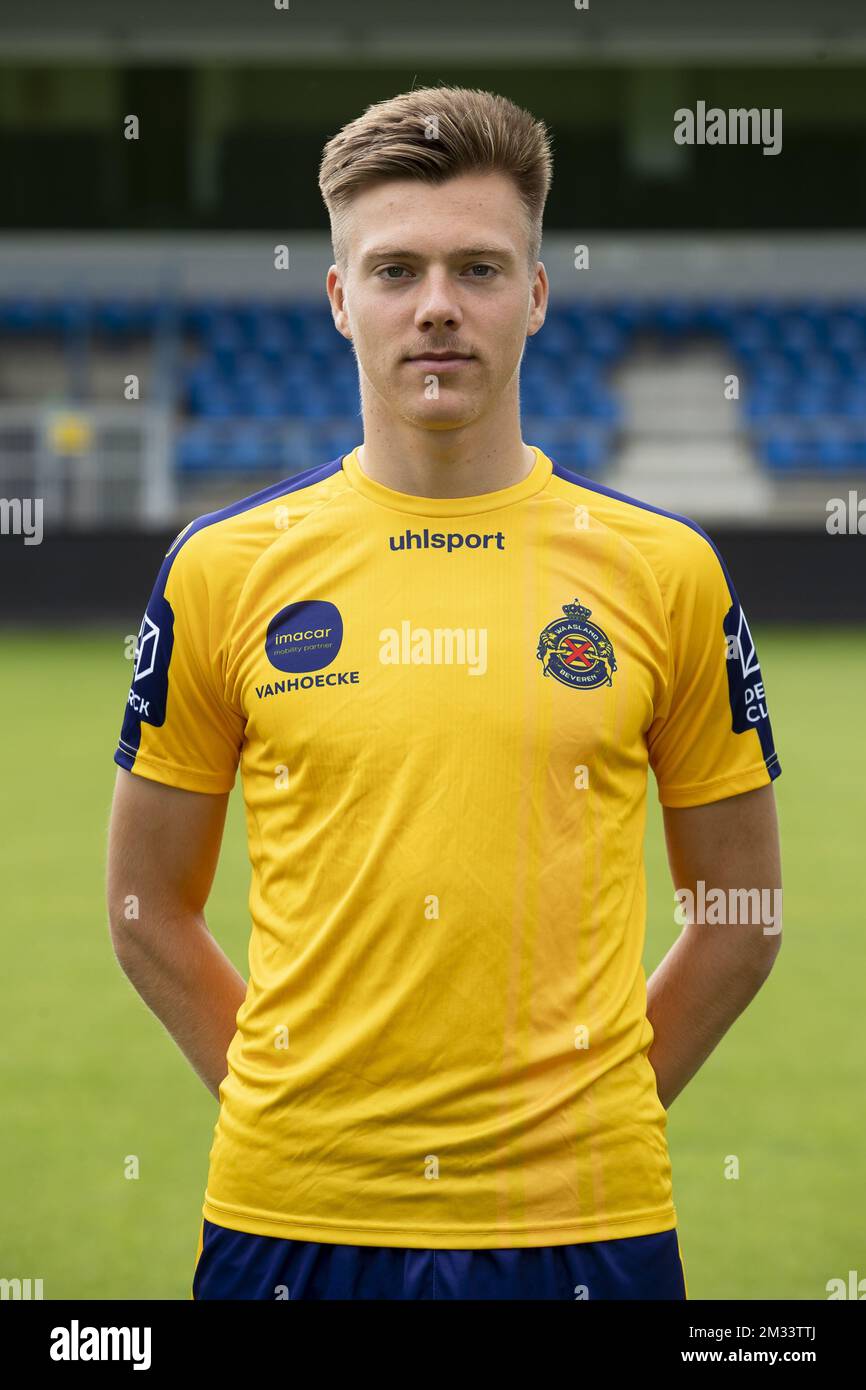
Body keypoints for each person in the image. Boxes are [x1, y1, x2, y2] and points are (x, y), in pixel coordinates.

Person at [106, 85, 782, 1301]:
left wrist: (588, 1114)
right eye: (394, 269)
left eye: (477, 268)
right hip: (288, 1222)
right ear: (336, 299)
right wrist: (292, 1111)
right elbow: (146, 904)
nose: (435, 308)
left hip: (586, 1225)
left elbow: (738, 910)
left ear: (533, 294)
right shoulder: (223, 567)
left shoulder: (664, 570)